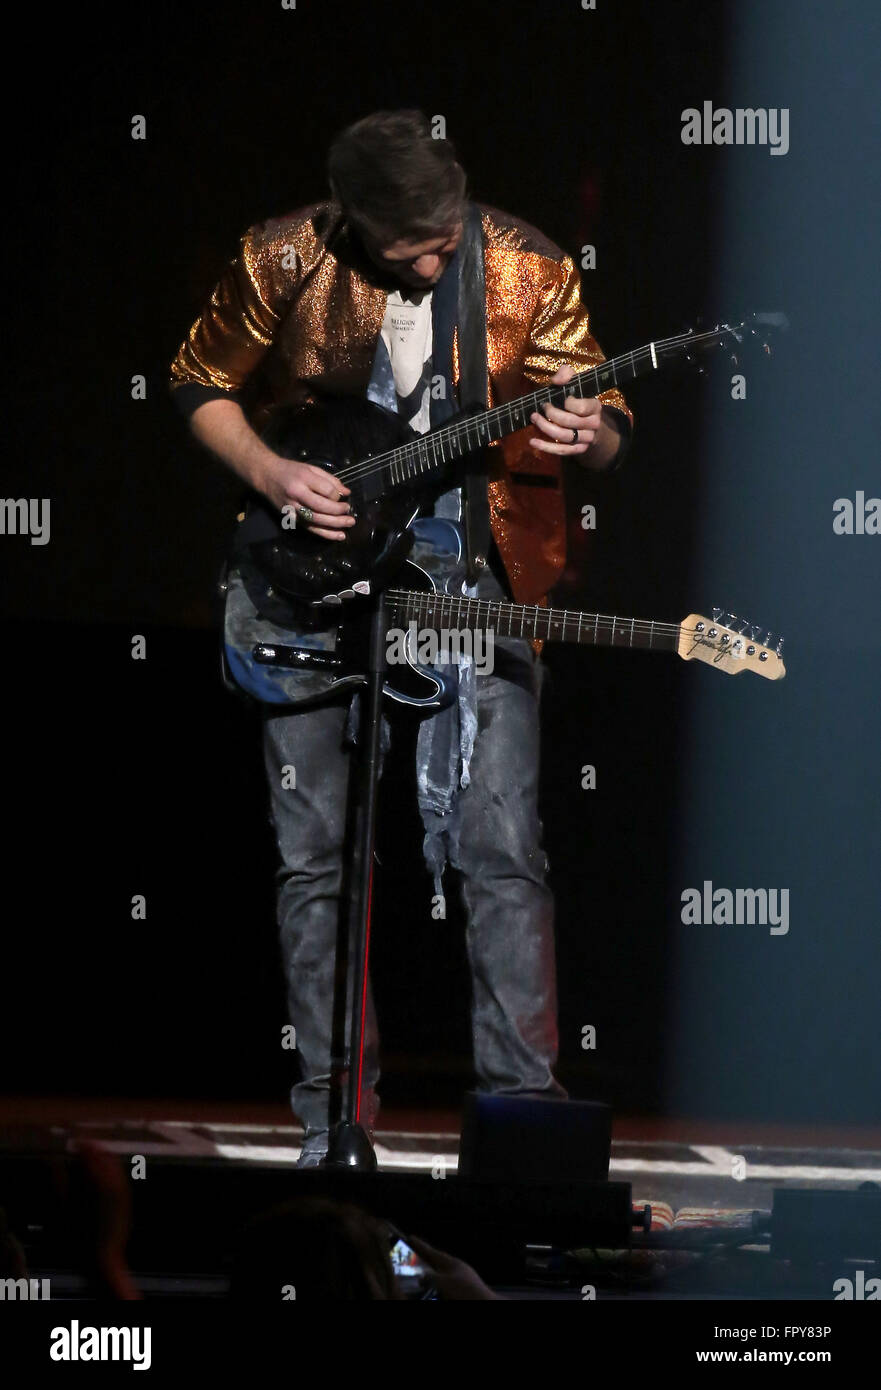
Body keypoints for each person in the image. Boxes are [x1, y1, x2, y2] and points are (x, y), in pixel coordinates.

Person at [170, 110, 632, 1165]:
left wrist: (584, 427)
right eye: (404, 248)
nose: (432, 259)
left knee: (502, 848)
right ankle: (334, 1123)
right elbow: (200, 383)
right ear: (350, 224)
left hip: (476, 583)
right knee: (316, 859)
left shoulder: (526, 266)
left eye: (442, 237)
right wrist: (270, 473)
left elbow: (601, 424)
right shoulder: (280, 256)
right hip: (314, 590)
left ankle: (526, 1127)